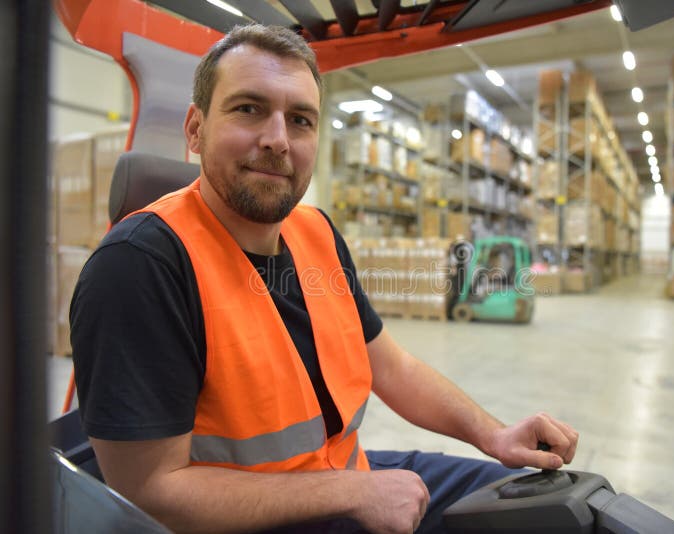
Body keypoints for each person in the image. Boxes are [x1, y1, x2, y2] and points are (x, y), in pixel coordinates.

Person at [70, 24, 578, 534]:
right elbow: (149, 492)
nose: (277, 140)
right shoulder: (139, 267)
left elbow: (391, 366)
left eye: (300, 120)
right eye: (248, 108)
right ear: (195, 129)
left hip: (341, 474)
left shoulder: (314, 233)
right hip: (252, 519)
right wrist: (350, 492)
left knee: (550, 509)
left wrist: (494, 434)